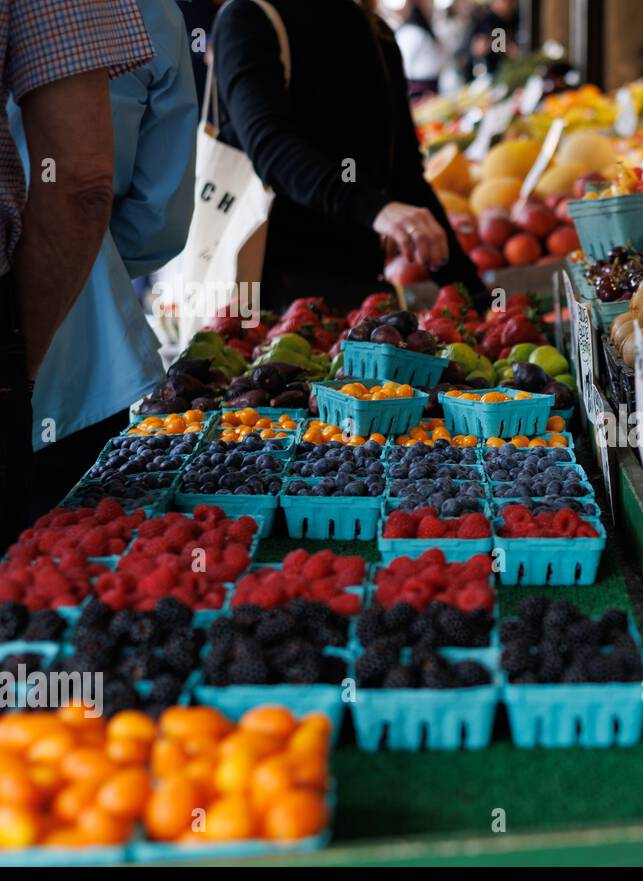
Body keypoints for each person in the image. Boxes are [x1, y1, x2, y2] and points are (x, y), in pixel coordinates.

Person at [10, 0, 197, 519]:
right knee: (59, 570)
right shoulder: (147, 10)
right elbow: (156, 216)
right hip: (83, 352)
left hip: (74, 347)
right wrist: (93, 272)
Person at [212, 0, 485, 312]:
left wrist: (471, 294)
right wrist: (374, 209)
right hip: (265, 296)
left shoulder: (374, 32)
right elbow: (271, 148)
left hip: (358, 295)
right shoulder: (249, 18)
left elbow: (405, 175)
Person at [462, 0, 519, 82]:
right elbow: (475, 48)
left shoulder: (516, 18)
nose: (506, 5)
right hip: (488, 73)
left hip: (509, 71)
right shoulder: (485, 20)